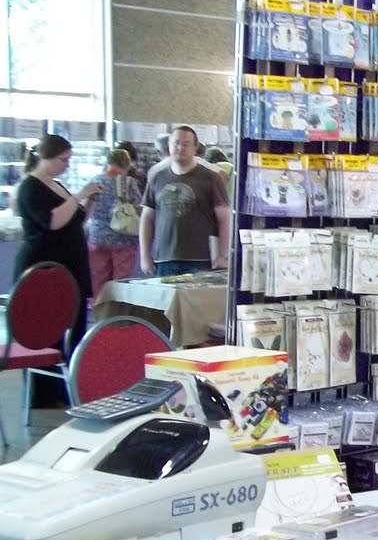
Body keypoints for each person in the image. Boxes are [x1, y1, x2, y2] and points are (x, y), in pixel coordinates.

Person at [12, 135, 99, 400]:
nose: (67, 165)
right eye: (63, 160)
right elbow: (53, 221)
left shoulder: (57, 185)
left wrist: (91, 199)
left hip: (71, 265)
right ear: (46, 157)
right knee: (46, 328)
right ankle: (45, 392)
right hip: (45, 268)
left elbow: (77, 219)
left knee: (75, 324)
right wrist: (80, 194)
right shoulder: (30, 187)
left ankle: (71, 382)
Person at [140, 124, 229, 277]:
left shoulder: (212, 178)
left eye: (186, 144)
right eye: (176, 143)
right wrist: (145, 256)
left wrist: (223, 255)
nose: (180, 148)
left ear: (195, 148)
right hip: (164, 259)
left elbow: (225, 218)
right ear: (169, 146)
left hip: (202, 260)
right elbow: (147, 218)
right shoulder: (156, 177)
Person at [85, 146, 143, 296]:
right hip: (123, 238)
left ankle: (101, 313)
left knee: (99, 278)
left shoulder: (95, 181)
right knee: (121, 281)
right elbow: (138, 208)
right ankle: (118, 315)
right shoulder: (128, 183)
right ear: (126, 164)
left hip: (97, 236)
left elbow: (88, 209)